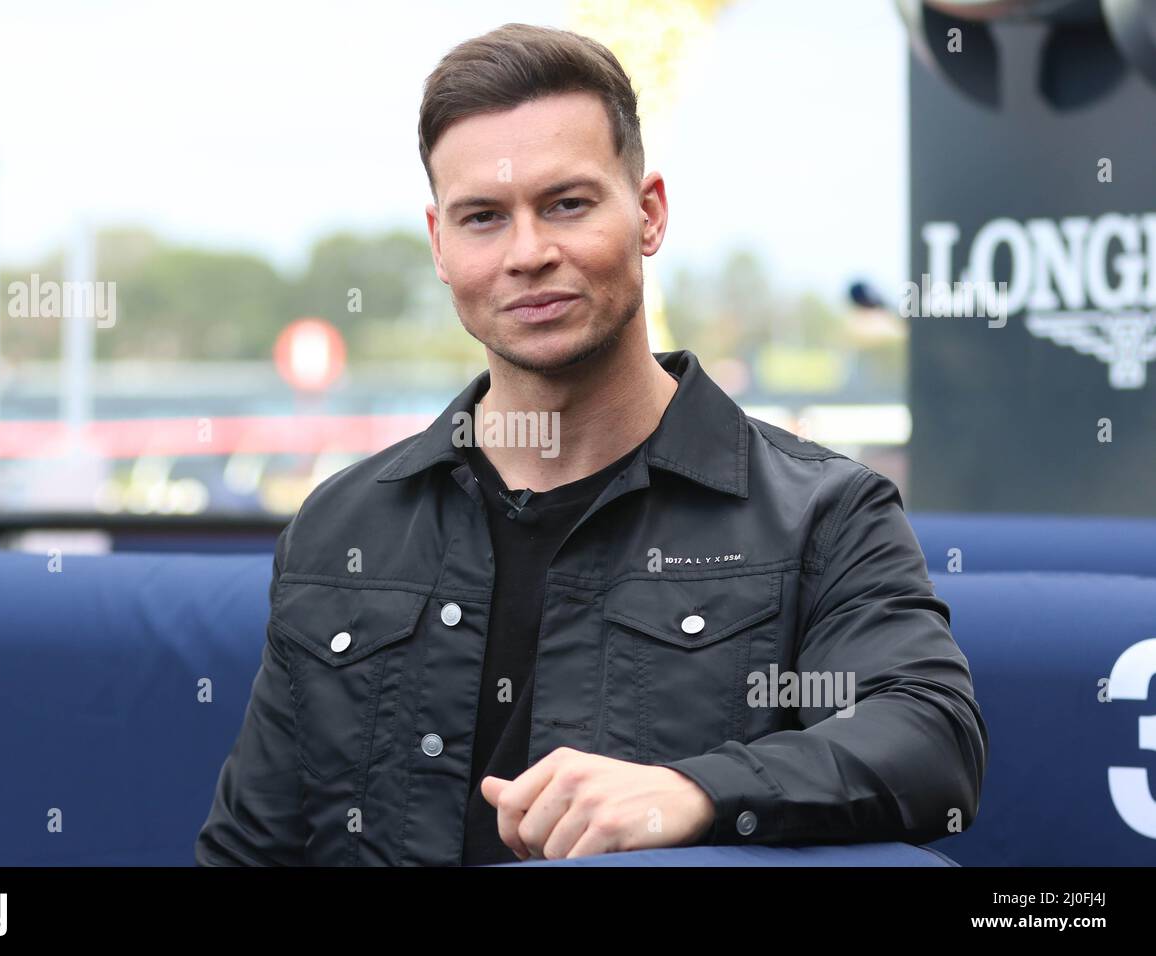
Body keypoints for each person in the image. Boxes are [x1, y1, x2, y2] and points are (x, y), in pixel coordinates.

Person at [197, 22, 988, 866]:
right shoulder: (341, 526)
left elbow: (930, 738)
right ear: (439, 244)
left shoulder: (821, 513)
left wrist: (699, 791)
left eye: (567, 205)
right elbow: (251, 849)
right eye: (483, 218)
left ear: (648, 214)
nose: (529, 253)